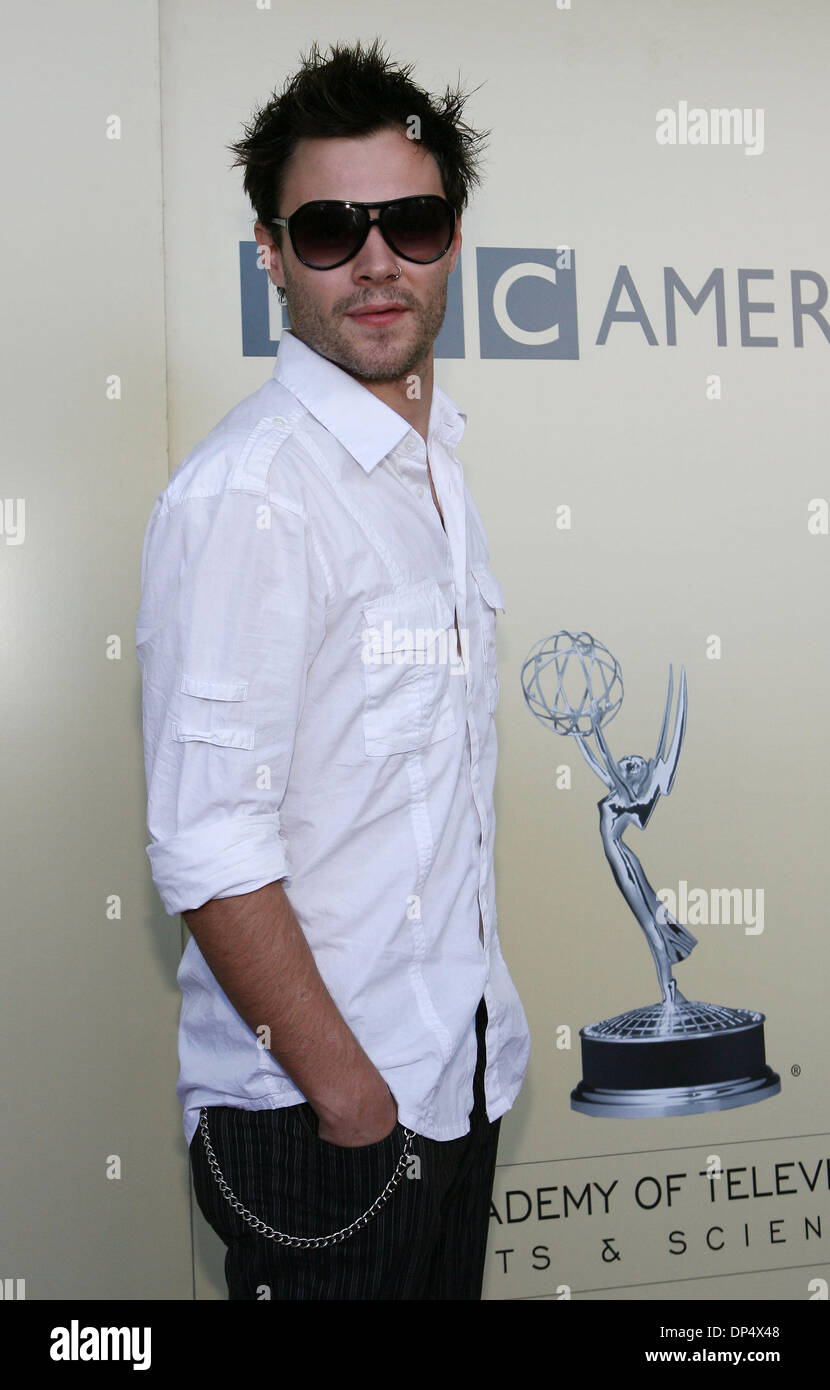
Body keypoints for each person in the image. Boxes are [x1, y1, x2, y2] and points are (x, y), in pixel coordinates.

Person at [135, 37, 530, 1301]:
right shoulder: (251, 497)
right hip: (326, 1123)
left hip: (452, 1080)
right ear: (270, 253)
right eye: (327, 229)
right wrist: (354, 1100)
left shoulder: (431, 471)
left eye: (409, 222)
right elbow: (209, 848)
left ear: (453, 241)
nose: (375, 260)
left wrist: (429, 1084)